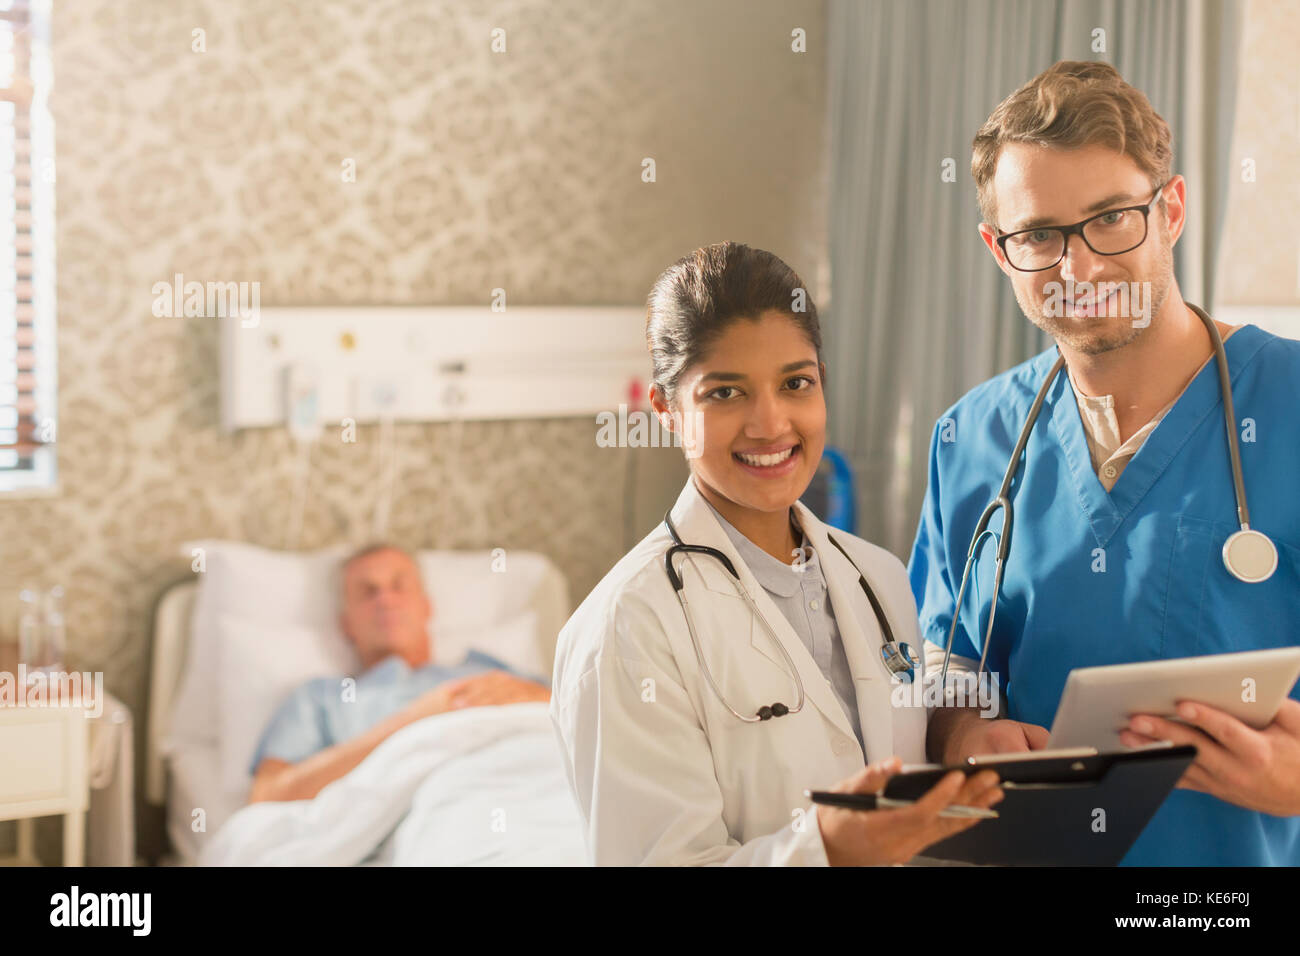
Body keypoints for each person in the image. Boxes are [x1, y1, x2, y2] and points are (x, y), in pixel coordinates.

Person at [910, 61, 1300, 865]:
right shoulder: (971, 437)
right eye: (1039, 235)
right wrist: (957, 731)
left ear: (1173, 210)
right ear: (998, 248)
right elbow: (938, 656)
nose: (1078, 268)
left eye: (1111, 218)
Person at [550, 242, 1002, 866]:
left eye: (796, 383)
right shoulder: (628, 627)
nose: (770, 424)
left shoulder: (878, 577)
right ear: (668, 412)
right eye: (725, 394)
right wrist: (827, 851)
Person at [247, 543, 550, 803]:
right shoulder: (321, 698)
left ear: (426, 606)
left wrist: (540, 697)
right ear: (346, 624)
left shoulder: (489, 671)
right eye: (368, 592)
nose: (386, 600)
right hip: (439, 809)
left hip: (541, 785)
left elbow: (586, 719)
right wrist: (416, 720)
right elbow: (268, 796)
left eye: (398, 586)